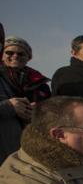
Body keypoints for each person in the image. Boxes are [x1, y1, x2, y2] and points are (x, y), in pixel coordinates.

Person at [1, 36, 51, 164]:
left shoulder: (41, 83)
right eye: (9, 53)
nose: (15, 56)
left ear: (29, 57)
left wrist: (39, 112)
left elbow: (53, 112)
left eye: (21, 53)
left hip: (32, 150)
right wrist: (9, 106)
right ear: (1, 54)